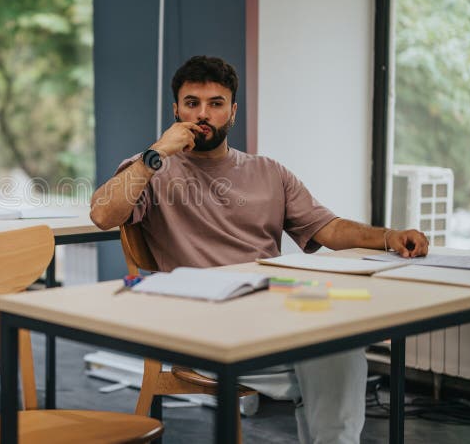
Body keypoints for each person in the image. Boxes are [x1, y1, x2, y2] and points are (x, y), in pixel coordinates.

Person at [90, 55, 429, 444]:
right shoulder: (151, 169)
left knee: (339, 339)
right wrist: (156, 152)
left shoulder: (269, 171)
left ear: (233, 112)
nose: (203, 114)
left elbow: (328, 227)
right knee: (332, 365)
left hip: (274, 307)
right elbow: (102, 214)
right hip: (202, 322)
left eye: (216, 104)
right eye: (192, 103)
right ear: (176, 110)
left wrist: (390, 237)